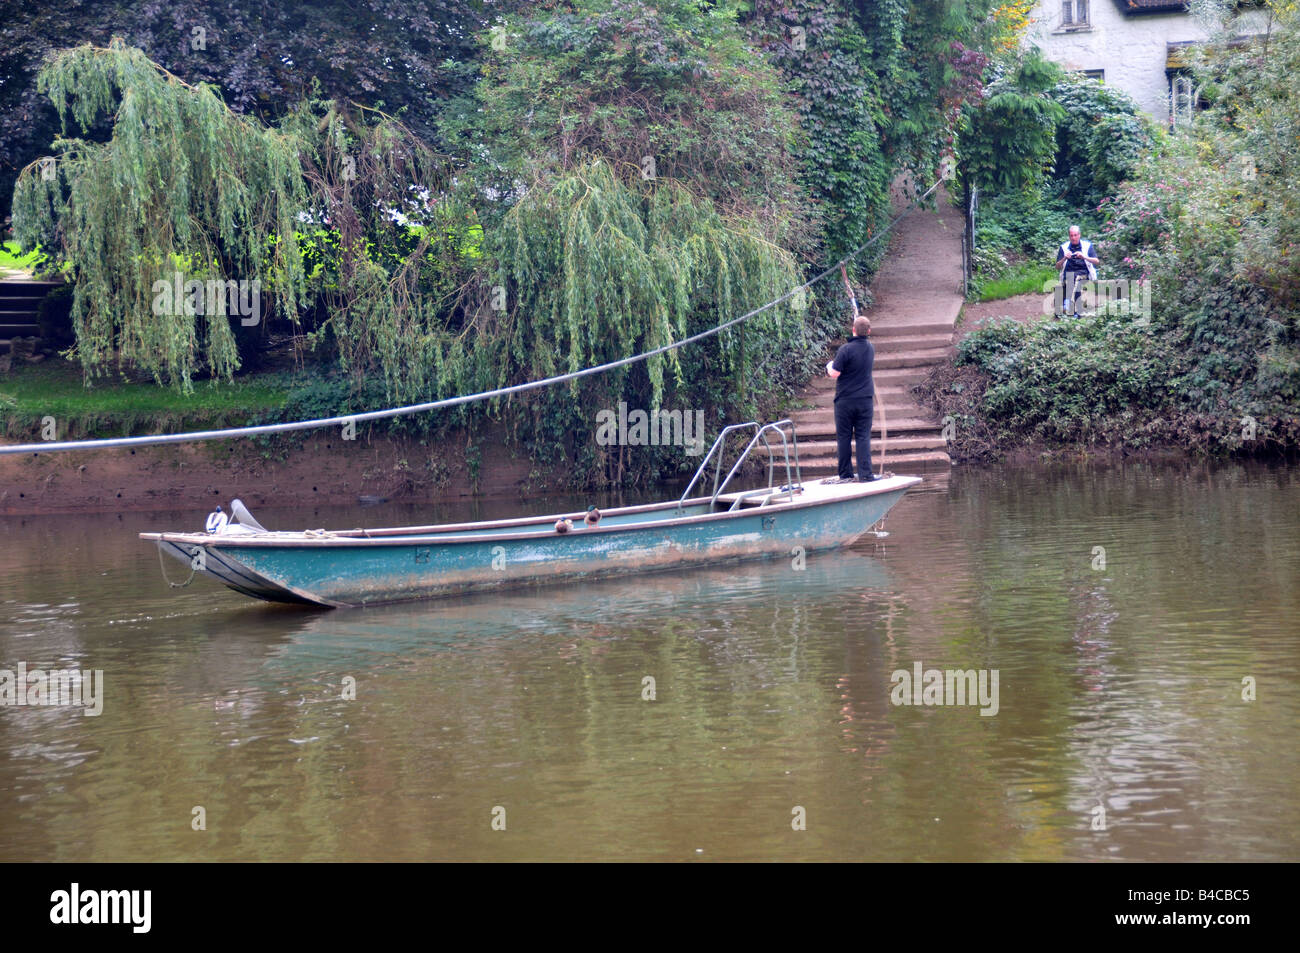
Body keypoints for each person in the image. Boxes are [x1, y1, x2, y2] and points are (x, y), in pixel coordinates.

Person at [826, 314, 876, 483]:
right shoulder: (870, 348)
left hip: (845, 401)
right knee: (863, 436)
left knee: (844, 437)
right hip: (865, 400)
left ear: (853, 330)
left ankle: (846, 474)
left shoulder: (845, 350)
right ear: (869, 331)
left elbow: (835, 373)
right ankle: (866, 474)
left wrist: (829, 365)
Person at [1056, 225, 1099, 316]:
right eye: (1071, 236)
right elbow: (1057, 266)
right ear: (1069, 236)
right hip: (1068, 274)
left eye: (1075, 235)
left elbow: (1096, 261)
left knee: (1075, 280)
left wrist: (1084, 256)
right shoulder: (1064, 247)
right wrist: (1064, 258)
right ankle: (1069, 308)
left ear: (1079, 235)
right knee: (1071, 278)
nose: (1073, 238)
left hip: (1083, 273)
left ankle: (1072, 309)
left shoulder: (1087, 246)